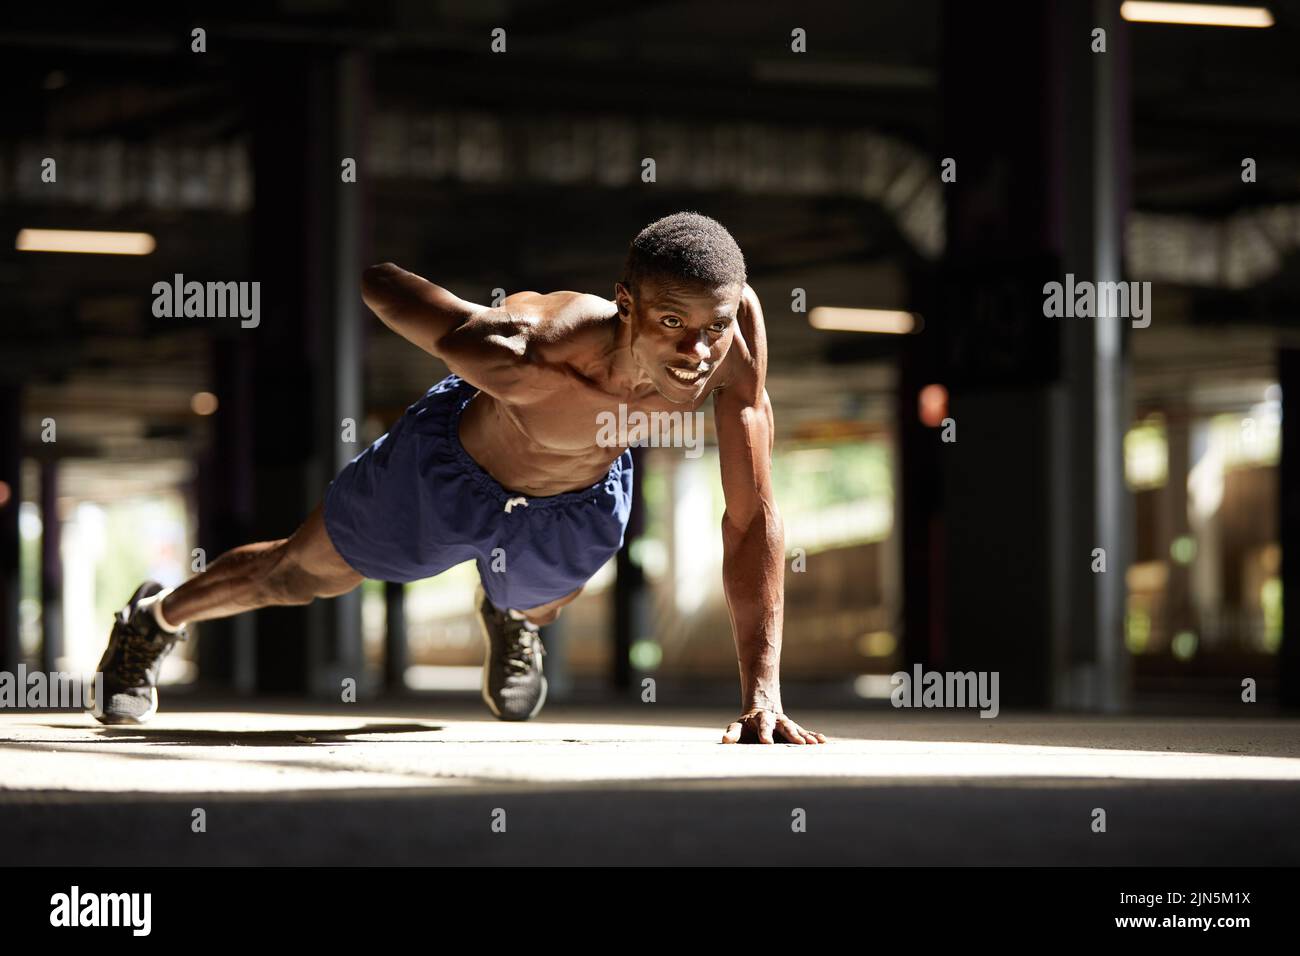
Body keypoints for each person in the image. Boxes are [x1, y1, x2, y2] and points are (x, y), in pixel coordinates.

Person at [92, 211, 827, 745]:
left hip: (576, 495)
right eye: (673, 323)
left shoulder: (735, 338)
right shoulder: (529, 350)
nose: (699, 350)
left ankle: (511, 619)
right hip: (445, 471)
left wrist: (762, 692)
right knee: (301, 574)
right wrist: (444, 314)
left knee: (544, 594)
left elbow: (750, 518)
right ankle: (151, 621)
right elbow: (384, 286)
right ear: (627, 305)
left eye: (715, 324)